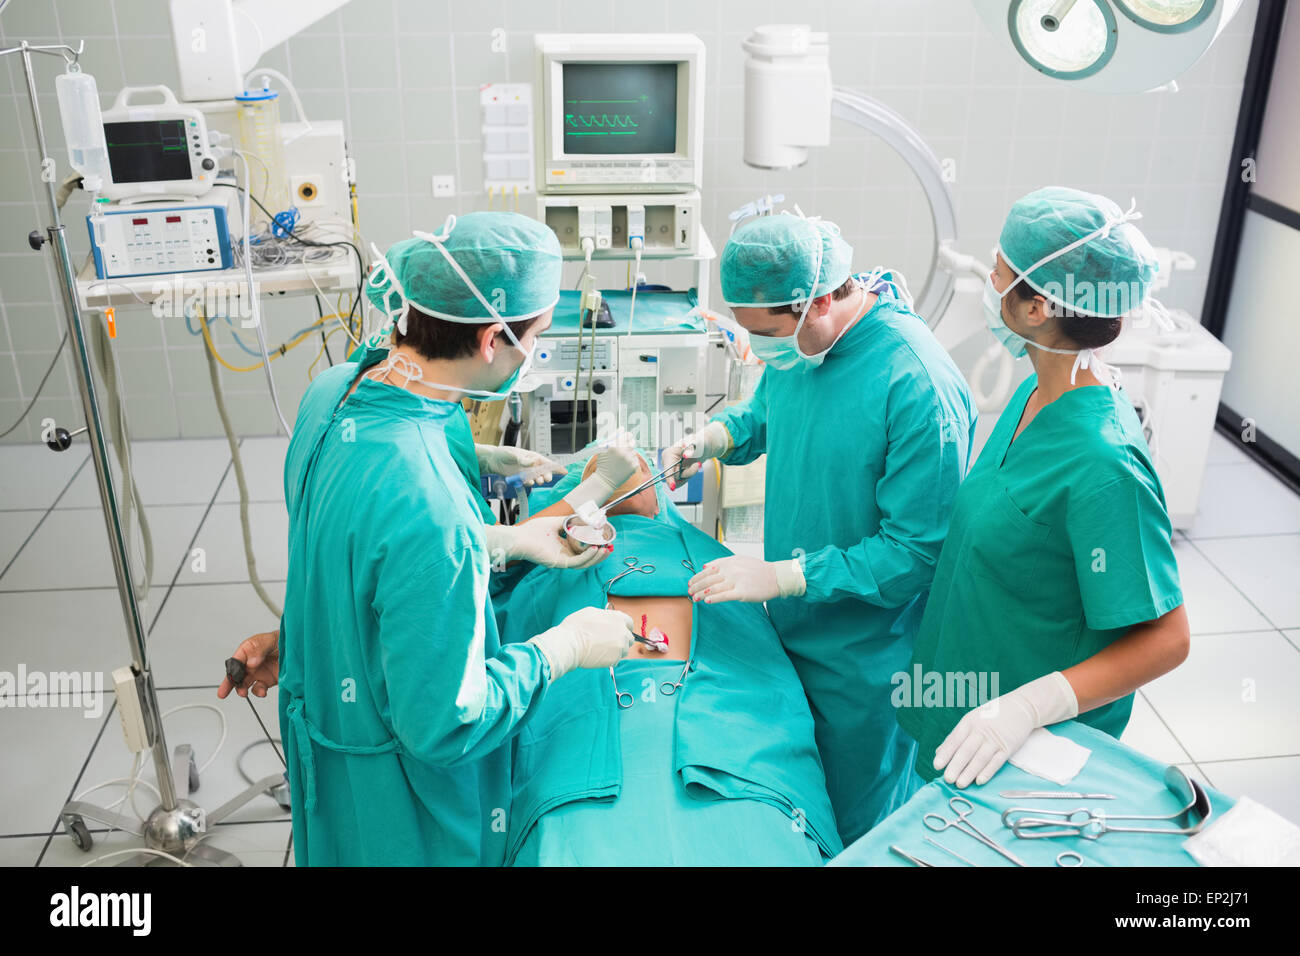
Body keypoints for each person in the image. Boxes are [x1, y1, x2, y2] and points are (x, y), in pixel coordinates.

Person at [231, 212, 646, 866]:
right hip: (401, 802)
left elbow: (345, 554)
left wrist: (306, 640)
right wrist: (566, 647)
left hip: (329, 731)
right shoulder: (429, 508)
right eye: (534, 338)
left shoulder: (331, 394)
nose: (532, 353)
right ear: (490, 340)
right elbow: (446, 723)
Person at [664, 212, 978, 843]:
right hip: (797, 627)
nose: (765, 349)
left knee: (853, 826)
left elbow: (915, 553)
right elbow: (774, 406)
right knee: (796, 807)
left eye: (771, 334)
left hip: (865, 658)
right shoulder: (805, 344)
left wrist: (786, 575)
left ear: (822, 300)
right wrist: (717, 437)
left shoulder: (916, 383)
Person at [895, 187, 1190, 789]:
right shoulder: (1039, 391)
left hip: (1023, 748)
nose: (990, 284)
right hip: (961, 695)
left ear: (1036, 310)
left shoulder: (1103, 463)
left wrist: (1028, 707)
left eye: (999, 274)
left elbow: (1167, 638)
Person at [494, 447, 842, 865]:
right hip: (585, 729)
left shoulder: (713, 553)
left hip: (733, 728)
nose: (625, 469)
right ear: (580, 495)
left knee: (756, 816)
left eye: (639, 465)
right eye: (598, 472)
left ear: (659, 496)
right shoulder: (542, 557)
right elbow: (474, 583)